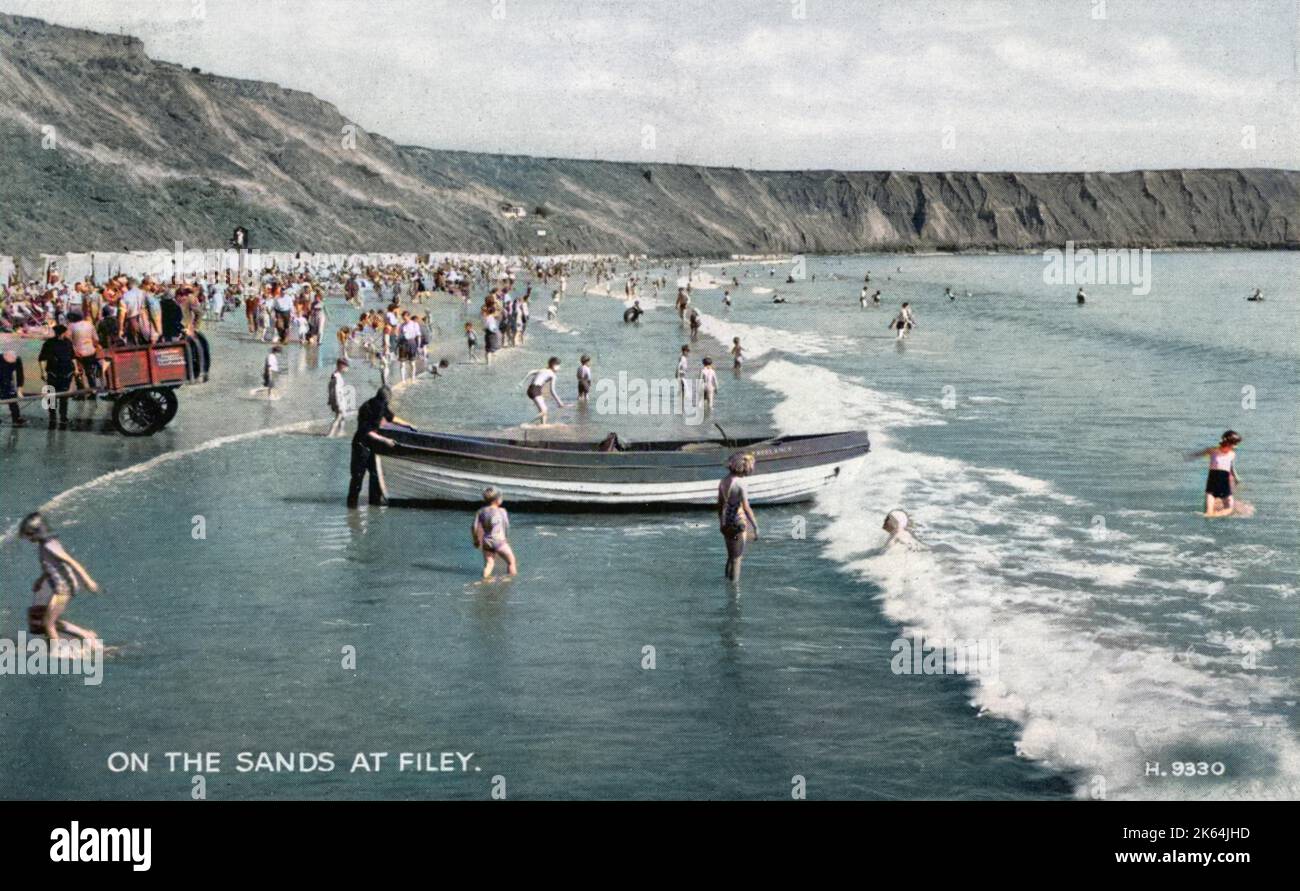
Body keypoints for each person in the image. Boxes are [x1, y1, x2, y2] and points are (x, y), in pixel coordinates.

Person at [19, 512, 100, 644]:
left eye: (29, 535)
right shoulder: (45, 544)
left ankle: (59, 650)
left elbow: (70, 561)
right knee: (46, 619)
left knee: (48, 623)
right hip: (60, 588)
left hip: (64, 590)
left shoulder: (49, 545)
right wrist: (40, 579)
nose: (28, 539)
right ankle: (85, 634)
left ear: (36, 532)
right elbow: (52, 567)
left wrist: (88, 581)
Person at [347, 386, 413, 508]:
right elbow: (366, 431)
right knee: (357, 478)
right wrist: (385, 440)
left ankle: (374, 503)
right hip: (360, 446)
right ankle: (352, 507)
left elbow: (391, 418)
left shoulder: (380, 405)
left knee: (376, 474)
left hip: (371, 446)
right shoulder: (367, 408)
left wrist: (408, 425)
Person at [718, 452, 759, 582]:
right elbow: (746, 507)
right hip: (738, 522)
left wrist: (722, 524)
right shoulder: (741, 483)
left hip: (727, 523)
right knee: (737, 559)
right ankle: (735, 591)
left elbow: (720, 505)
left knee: (730, 557)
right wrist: (756, 526)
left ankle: (727, 582)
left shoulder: (723, 481)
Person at [1189, 430, 1243, 518]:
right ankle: (1215, 515)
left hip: (1217, 480)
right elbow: (1200, 454)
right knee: (1229, 508)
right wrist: (1191, 456)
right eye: (1235, 444)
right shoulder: (1215, 451)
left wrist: (1236, 477)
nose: (1236, 446)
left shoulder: (1228, 453)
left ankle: (1211, 514)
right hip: (1218, 480)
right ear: (1229, 444)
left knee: (1211, 509)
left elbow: (1231, 467)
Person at [472, 487, 517, 578]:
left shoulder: (480, 511)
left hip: (487, 541)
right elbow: (506, 526)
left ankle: (484, 580)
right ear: (497, 500)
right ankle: (511, 580)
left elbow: (474, 527)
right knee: (511, 562)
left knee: (489, 564)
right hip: (500, 541)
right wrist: (505, 539)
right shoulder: (502, 511)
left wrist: (476, 540)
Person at [38, 324, 76, 426]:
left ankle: (63, 417)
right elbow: (42, 359)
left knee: (63, 397)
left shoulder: (68, 343)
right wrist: (43, 372)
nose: (60, 335)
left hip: (66, 373)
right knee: (52, 396)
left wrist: (76, 370)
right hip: (53, 373)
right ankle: (53, 417)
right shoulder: (49, 343)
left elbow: (73, 357)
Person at [524, 357, 566, 425]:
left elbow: (530, 372)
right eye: (558, 365)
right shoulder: (553, 375)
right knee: (544, 411)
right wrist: (559, 402)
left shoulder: (543, 369)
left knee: (544, 410)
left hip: (531, 389)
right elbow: (552, 391)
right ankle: (528, 422)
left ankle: (543, 425)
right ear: (553, 365)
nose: (559, 368)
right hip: (535, 390)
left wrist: (524, 380)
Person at [0, 349, 27, 426]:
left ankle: (16, 418)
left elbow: (20, 375)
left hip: (7, 378)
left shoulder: (17, 360)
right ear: (5, 357)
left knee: (12, 397)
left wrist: (19, 390)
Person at [327, 357, 351, 438]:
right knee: (338, 417)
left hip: (339, 399)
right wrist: (338, 403)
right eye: (347, 367)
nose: (347, 369)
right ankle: (330, 434)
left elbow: (331, 389)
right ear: (342, 366)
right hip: (338, 400)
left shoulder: (336, 375)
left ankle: (341, 431)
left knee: (343, 416)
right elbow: (336, 390)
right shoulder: (336, 376)